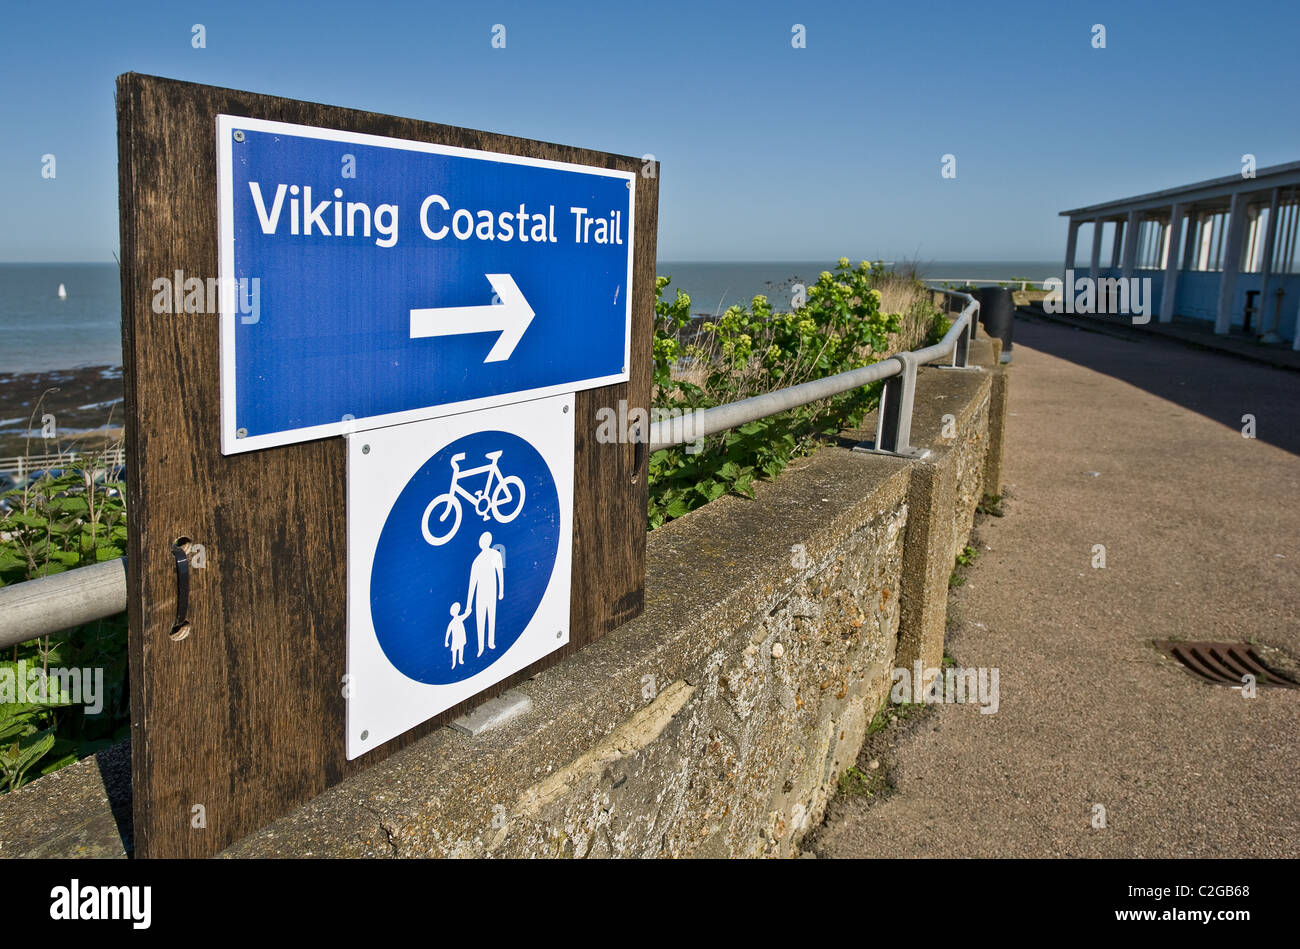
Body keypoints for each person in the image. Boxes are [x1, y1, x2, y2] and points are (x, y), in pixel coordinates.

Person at [465, 531, 505, 657]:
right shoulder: (477, 561)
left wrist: (501, 590)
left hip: (491, 591)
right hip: (480, 594)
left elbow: (500, 573)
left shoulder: (496, 555)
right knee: (480, 620)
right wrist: (468, 605)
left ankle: (491, 641)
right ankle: (481, 646)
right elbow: (472, 584)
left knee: (492, 616)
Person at [444, 601, 469, 669]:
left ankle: (460, 660)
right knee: (454, 650)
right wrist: (446, 641)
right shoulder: (452, 622)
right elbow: (448, 632)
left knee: (461, 648)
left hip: (461, 636)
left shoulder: (460, 618)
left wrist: (468, 610)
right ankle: (454, 663)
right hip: (455, 638)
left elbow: (466, 615)